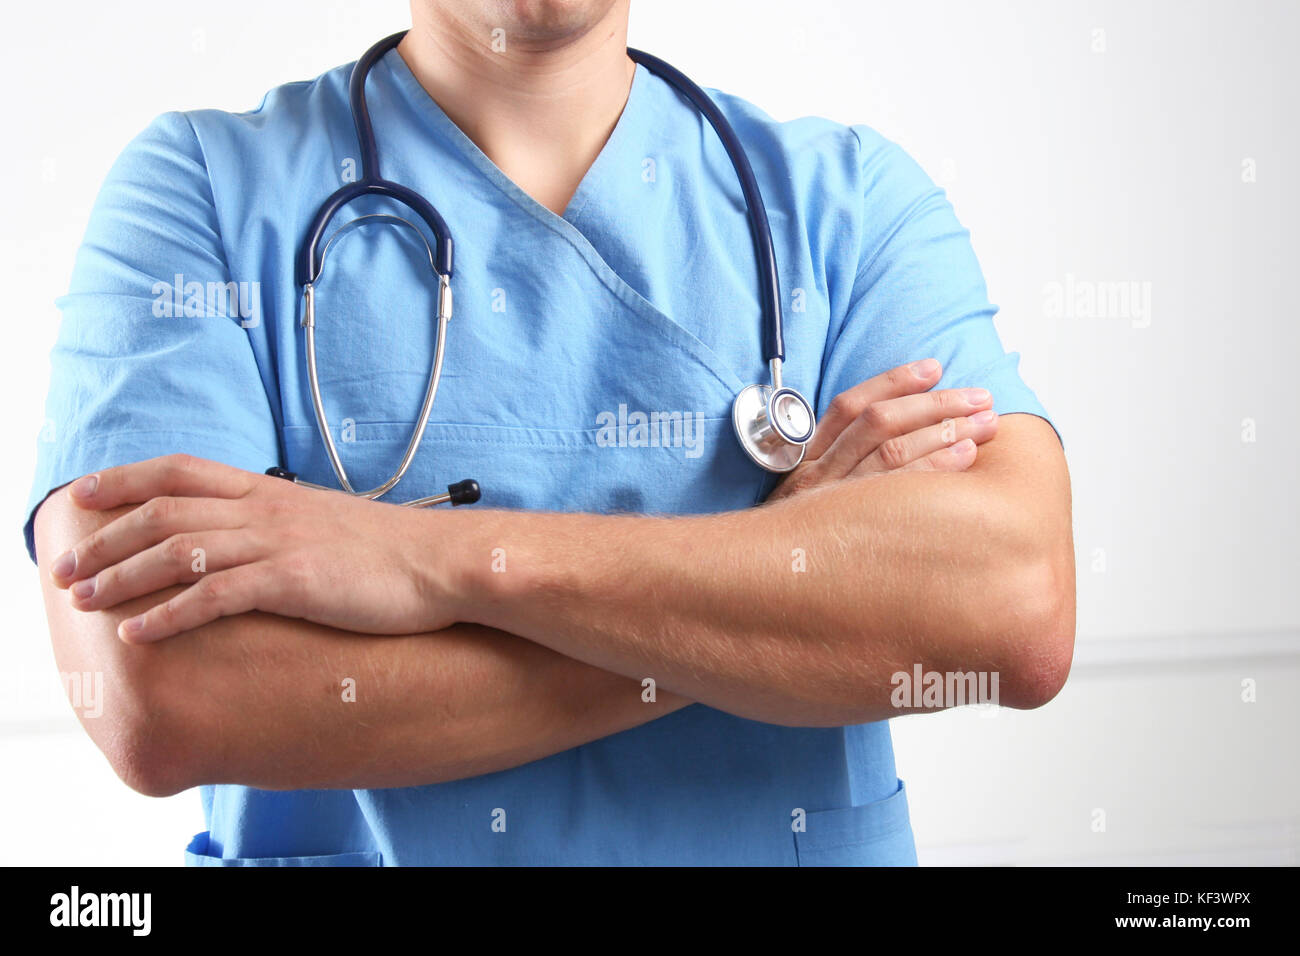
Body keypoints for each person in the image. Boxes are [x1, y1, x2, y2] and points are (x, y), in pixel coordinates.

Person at [28, 0, 1074, 865]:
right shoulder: (199, 192)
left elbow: (1011, 605)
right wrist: (763, 612)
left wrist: (432, 558)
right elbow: (162, 695)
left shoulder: (847, 206)